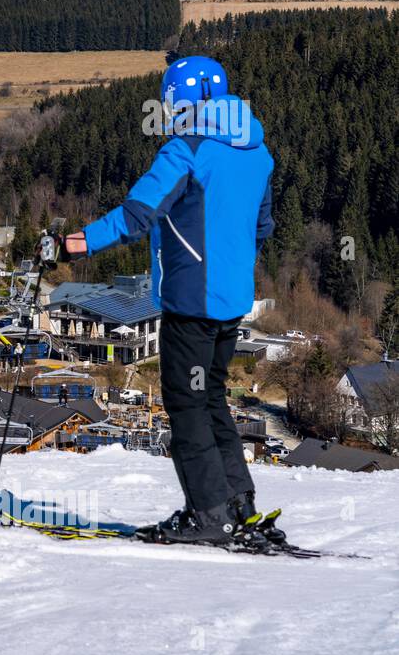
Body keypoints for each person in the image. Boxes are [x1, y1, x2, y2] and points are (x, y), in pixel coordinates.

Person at [63, 55, 278, 548]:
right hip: (231, 304)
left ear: (193, 98)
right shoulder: (257, 151)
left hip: (189, 302)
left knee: (186, 407)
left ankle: (209, 515)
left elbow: (137, 214)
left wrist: (76, 243)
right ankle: (237, 505)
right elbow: (262, 227)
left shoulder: (186, 151)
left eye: (174, 101)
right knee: (211, 399)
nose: (170, 111)